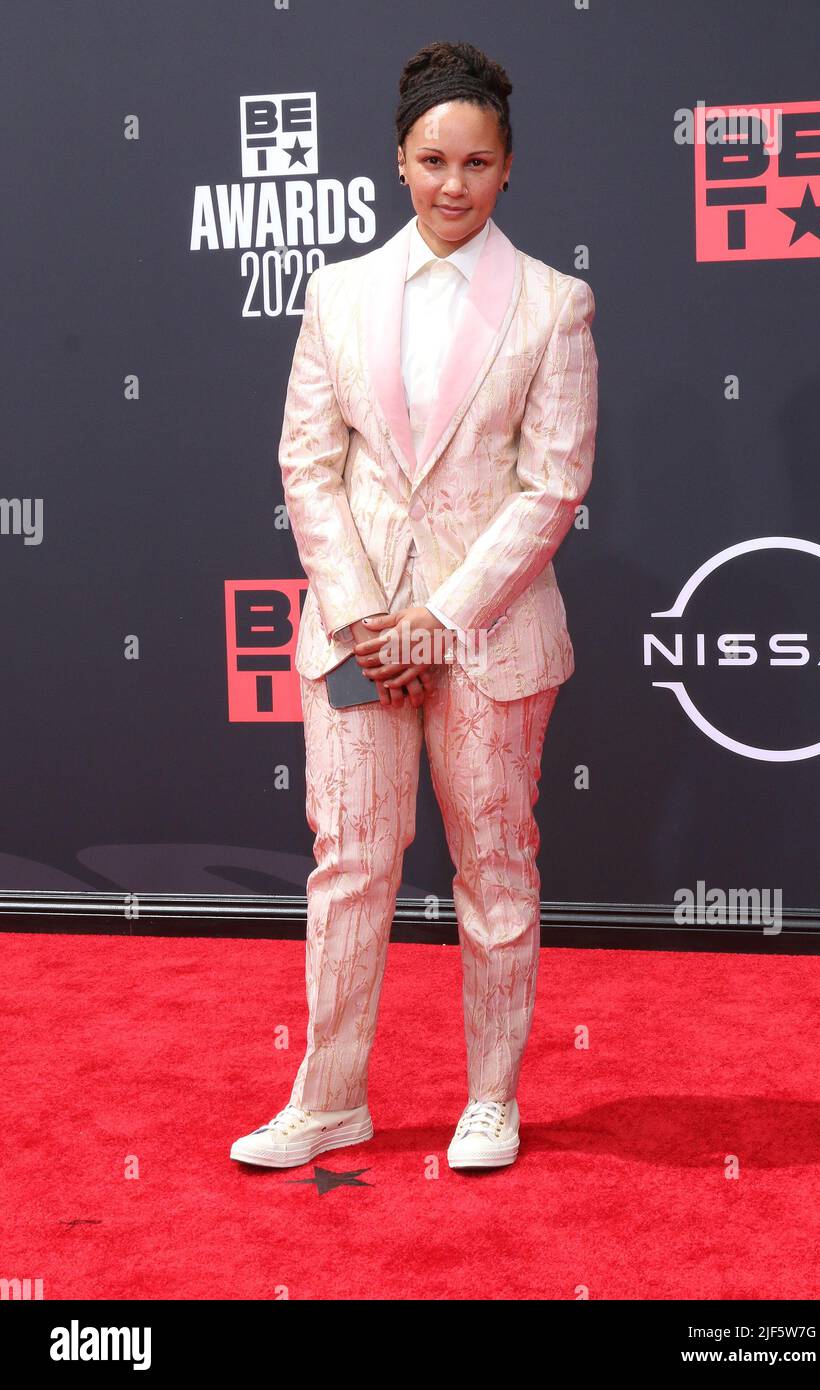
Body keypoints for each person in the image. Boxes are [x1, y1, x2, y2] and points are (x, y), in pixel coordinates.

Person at [231, 39, 598, 1172]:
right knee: (348, 862)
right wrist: (359, 620)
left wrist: (435, 618)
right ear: (398, 159)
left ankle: (490, 1096)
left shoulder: (552, 303)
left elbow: (553, 484)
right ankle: (330, 1097)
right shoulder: (335, 293)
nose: (452, 184)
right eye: (432, 159)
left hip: (487, 638)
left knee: (495, 864)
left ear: (505, 168)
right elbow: (308, 465)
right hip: (355, 635)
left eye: (475, 162)